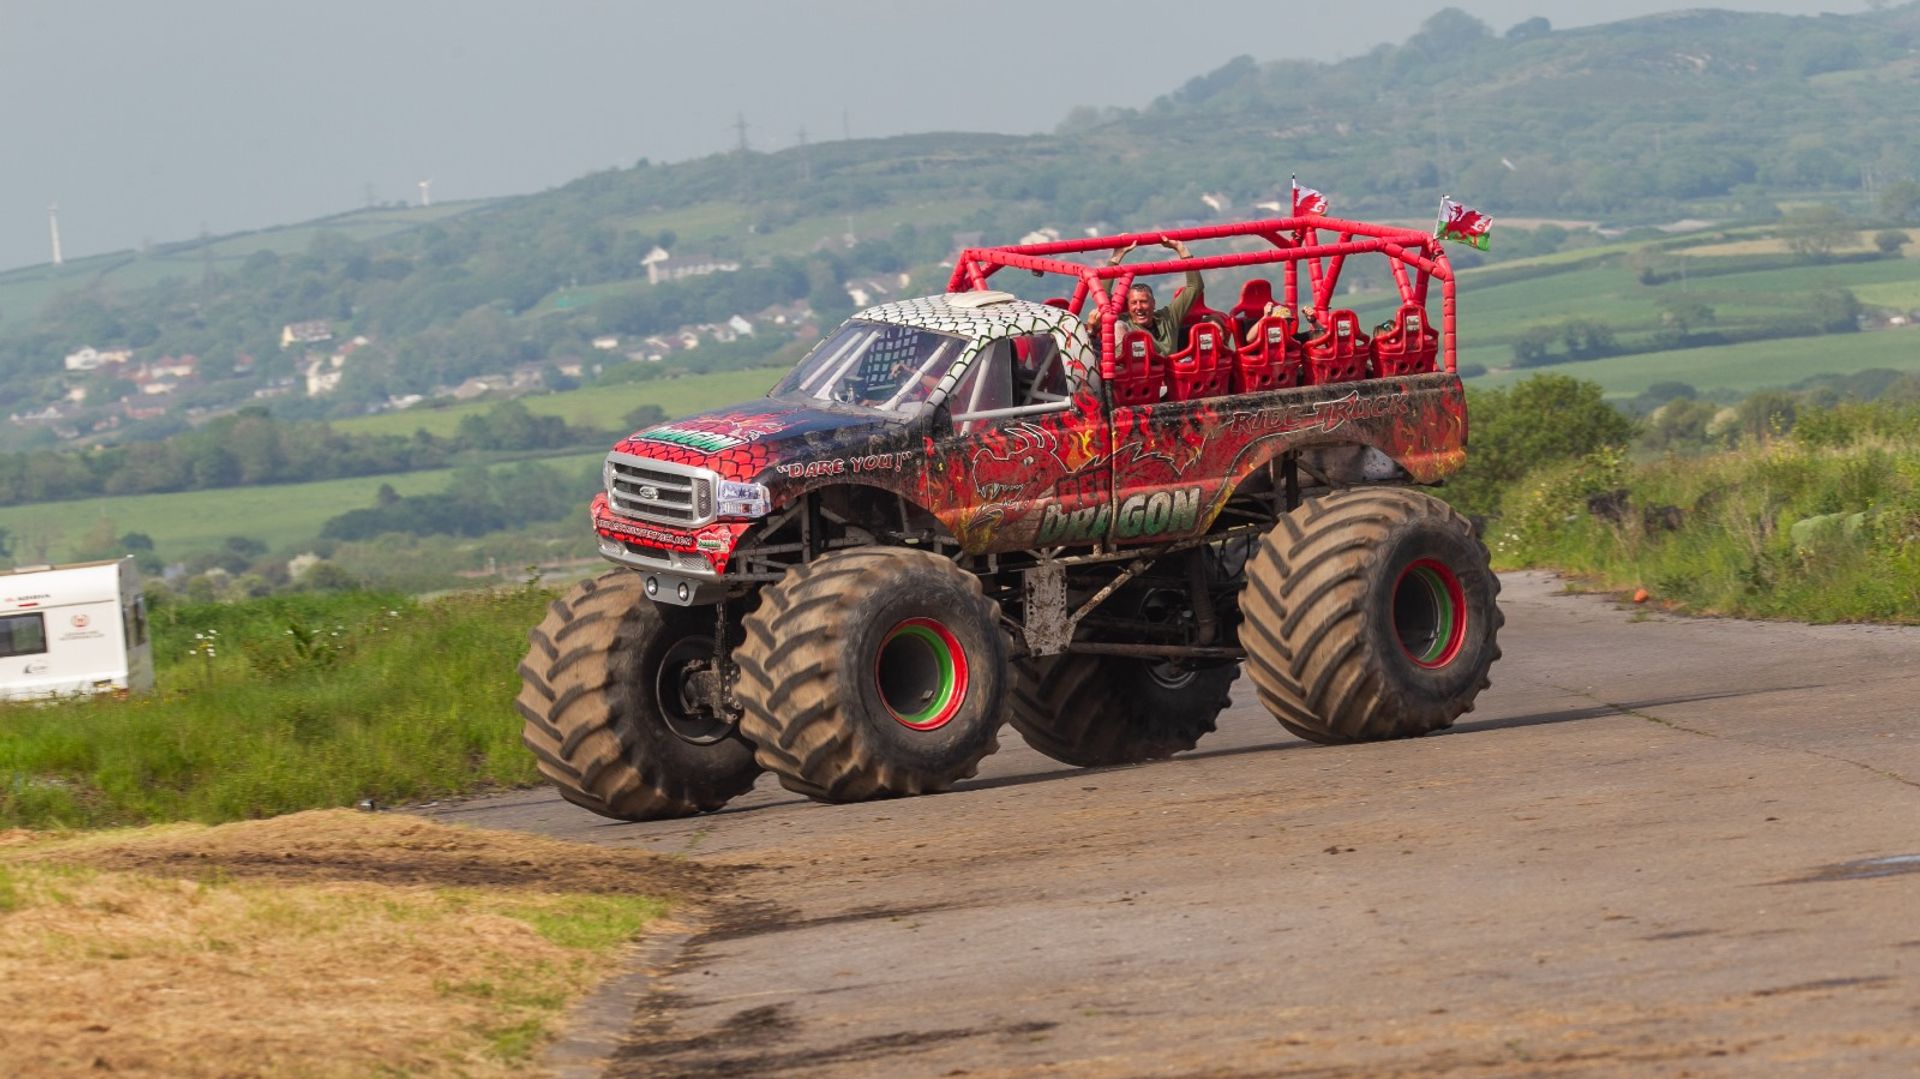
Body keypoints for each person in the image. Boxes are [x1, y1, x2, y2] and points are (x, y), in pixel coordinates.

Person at [1086, 236, 1205, 356]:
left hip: (1168, 372)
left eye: (1143, 301)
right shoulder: (1125, 321)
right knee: (1117, 326)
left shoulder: (1168, 317)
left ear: (1153, 303)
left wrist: (1181, 249)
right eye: (1134, 303)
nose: (1138, 307)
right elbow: (1102, 294)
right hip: (1136, 372)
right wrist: (1116, 256)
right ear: (1128, 306)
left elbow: (1195, 287)